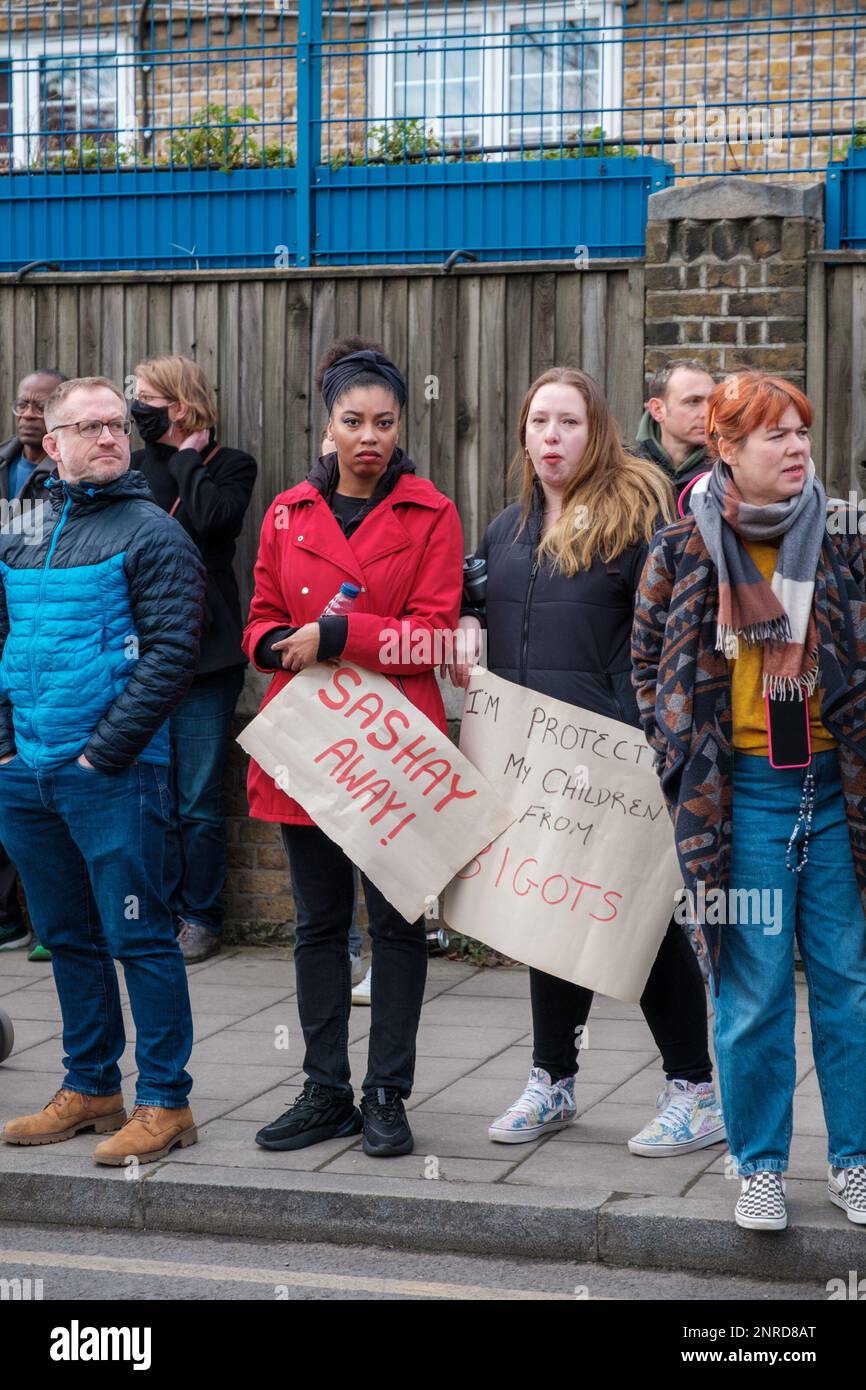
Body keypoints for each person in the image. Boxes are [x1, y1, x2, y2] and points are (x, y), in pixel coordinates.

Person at [450, 366, 725, 1156]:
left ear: (595, 430)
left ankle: (695, 1090)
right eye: (539, 423)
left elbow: (678, 630)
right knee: (548, 919)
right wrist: (468, 616)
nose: (551, 438)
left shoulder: (634, 517)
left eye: (568, 423)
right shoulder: (507, 529)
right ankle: (553, 1081)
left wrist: (656, 732)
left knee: (637, 922)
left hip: (616, 757)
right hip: (531, 759)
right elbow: (476, 590)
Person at [633, 370, 866, 1231]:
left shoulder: (848, 537)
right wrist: (677, 758)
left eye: (802, 433)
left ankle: (856, 1161)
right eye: (775, 436)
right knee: (752, 986)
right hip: (740, 800)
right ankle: (760, 1165)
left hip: (837, 789)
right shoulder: (680, 548)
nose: (797, 448)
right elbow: (649, 670)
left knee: (849, 984)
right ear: (725, 449)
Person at [243, 336, 464, 1157]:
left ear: (401, 424)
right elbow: (260, 617)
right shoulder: (286, 511)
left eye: (384, 421)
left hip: (392, 741)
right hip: (312, 742)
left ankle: (387, 1094)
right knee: (318, 924)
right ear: (328, 426)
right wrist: (275, 646)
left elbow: (436, 637)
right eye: (352, 421)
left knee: (399, 926)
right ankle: (325, 1089)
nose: (369, 436)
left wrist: (335, 632)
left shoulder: (431, 512)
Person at [0, 376, 206, 1165]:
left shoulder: (152, 532)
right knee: (65, 935)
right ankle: (90, 1086)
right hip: (28, 774)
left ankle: (165, 1101)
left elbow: (172, 656)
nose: (110, 438)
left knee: (140, 936)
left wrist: (101, 754)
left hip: (117, 775)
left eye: (117, 425)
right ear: (52, 445)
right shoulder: (18, 527)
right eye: (89, 428)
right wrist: (7, 746)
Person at [131, 356, 257, 964]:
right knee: (150, 795)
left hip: (207, 657)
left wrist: (185, 458)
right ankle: (154, 913)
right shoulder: (128, 469)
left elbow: (213, 520)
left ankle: (200, 917)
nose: (136, 406)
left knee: (198, 798)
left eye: (147, 395)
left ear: (179, 406)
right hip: (139, 654)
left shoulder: (229, 466)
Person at [0, 367, 68, 962]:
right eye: (22, 402)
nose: (26, 412)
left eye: (39, 405)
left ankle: (54, 922)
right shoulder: (2, 468)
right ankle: (10, 917)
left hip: (43, 641)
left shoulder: (66, 480)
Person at [634, 359, 715, 517]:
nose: (708, 413)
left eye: (712, 402)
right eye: (693, 402)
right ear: (658, 410)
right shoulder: (628, 473)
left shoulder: (727, 472)